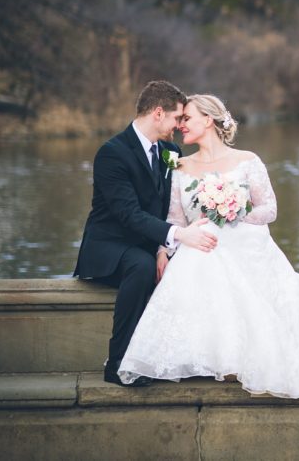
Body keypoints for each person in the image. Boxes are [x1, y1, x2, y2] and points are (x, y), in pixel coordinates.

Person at [118, 94, 299, 399]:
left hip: (245, 241)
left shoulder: (247, 161)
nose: (181, 125)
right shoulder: (179, 164)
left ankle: (245, 359)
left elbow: (270, 210)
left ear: (208, 120)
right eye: (179, 119)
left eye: (188, 118)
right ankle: (210, 358)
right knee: (203, 252)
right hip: (200, 244)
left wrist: (235, 209)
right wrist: (162, 251)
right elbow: (174, 218)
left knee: (222, 253)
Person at [75, 81, 218, 387]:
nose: (180, 126)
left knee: (194, 268)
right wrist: (178, 235)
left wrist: (164, 249)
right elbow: (129, 214)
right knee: (139, 267)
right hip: (109, 246)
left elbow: (167, 205)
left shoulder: (170, 151)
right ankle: (117, 363)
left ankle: (188, 359)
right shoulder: (112, 153)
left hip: (149, 244)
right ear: (157, 113)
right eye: (177, 118)